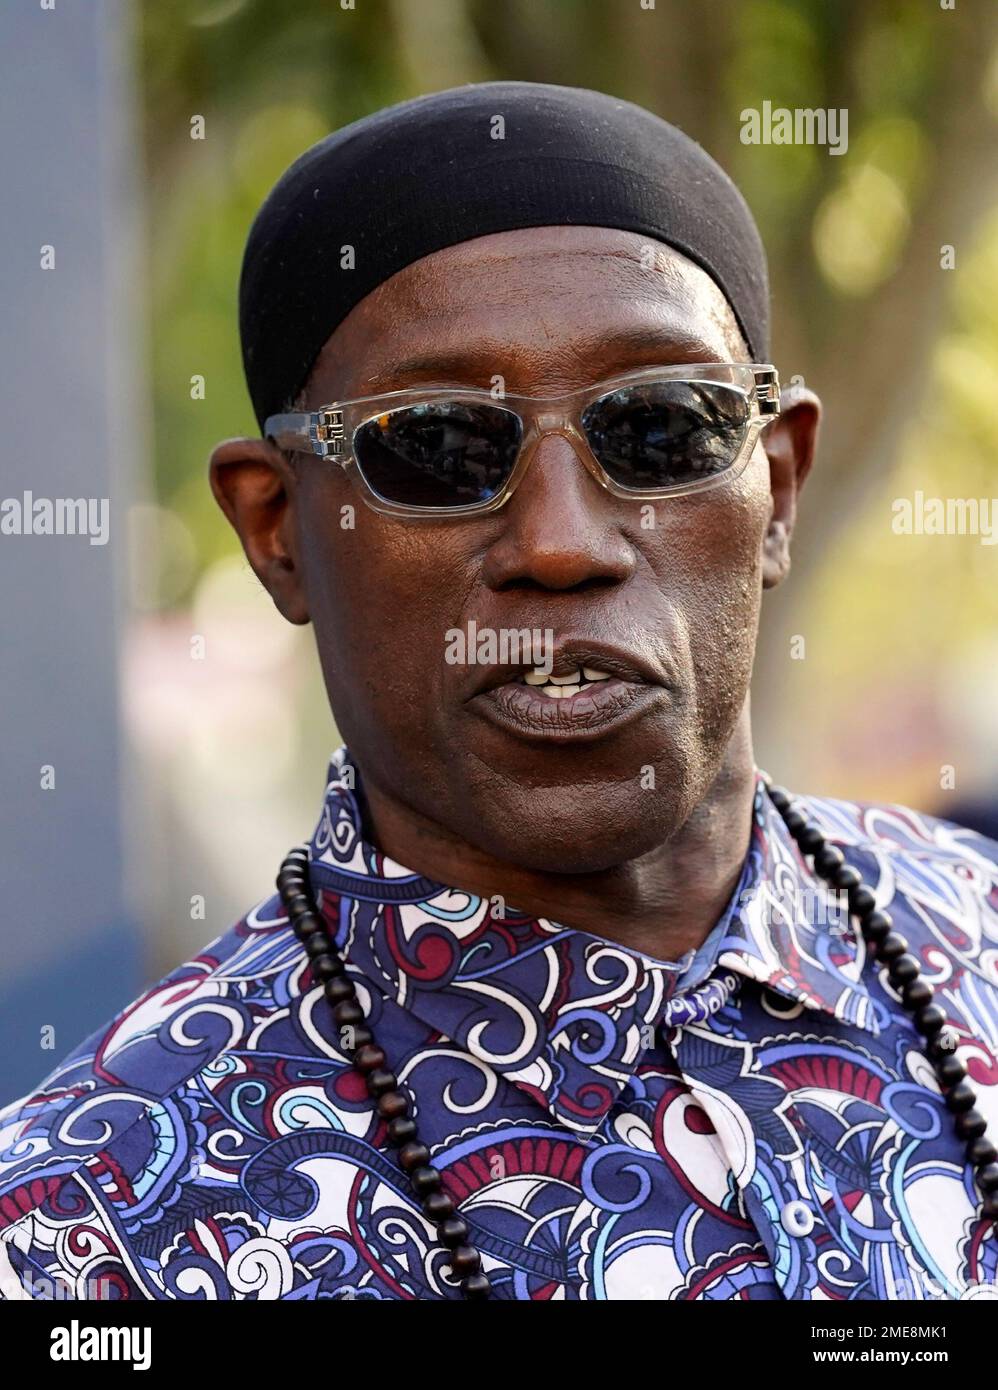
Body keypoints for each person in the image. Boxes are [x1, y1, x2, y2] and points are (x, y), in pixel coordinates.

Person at [2, 81, 996, 1303]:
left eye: (661, 426)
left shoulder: (976, 932)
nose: (561, 543)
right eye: (436, 445)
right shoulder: (82, 1233)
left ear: (777, 488)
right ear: (276, 532)